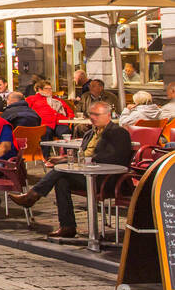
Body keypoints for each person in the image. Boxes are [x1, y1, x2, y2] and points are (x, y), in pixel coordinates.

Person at [11, 100, 135, 238]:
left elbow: (112, 158)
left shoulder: (118, 133)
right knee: (61, 180)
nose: (93, 118)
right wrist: (66, 158)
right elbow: (82, 154)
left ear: (107, 115)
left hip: (107, 178)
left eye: (96, 115)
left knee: (59, 171)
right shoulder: (89, 133)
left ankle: (32, 195)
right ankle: (67, 226)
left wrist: (76, 161)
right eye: (91, 115)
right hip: (86, 174)